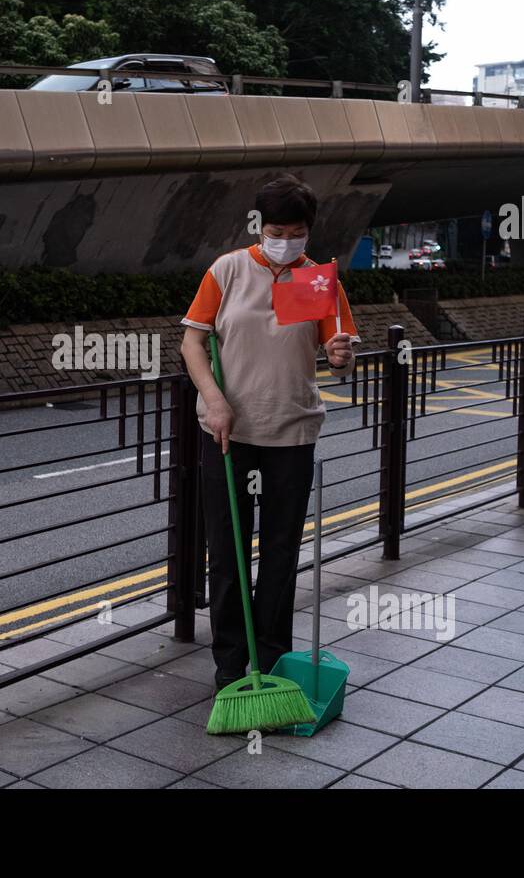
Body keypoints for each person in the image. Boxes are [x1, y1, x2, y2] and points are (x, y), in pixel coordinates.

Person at [178, 173, 357, 692]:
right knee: (228, 552)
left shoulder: (317, 280)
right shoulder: (228, 270)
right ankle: (232, 663)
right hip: (226, 431)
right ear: (260, 225)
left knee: (281, 550)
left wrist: (344, 355)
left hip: (293, 431)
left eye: (296, 231)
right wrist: (214, 401)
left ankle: (273, 657)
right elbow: (193, 344)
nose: (285, 239)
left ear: (308, 231)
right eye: (276, 228)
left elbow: (337, 351)